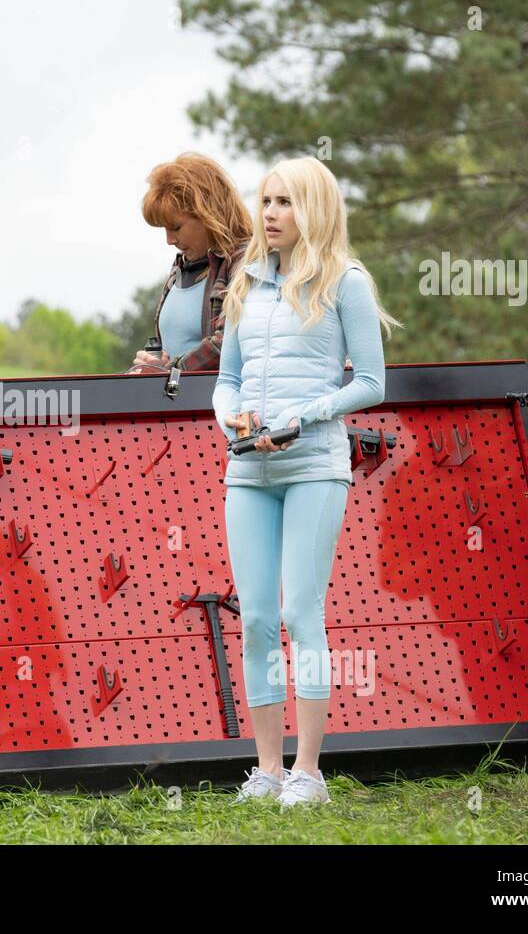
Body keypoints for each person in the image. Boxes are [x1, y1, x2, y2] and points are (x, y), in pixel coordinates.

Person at [213, 157, 400, 806]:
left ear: (314, 208)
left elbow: (372, 383)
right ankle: (266, 770)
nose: (270, 214)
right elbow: (225, 379)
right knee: (258, 617)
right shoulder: (246, 281)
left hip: (314, 465)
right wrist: (227, 417)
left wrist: (303, 416)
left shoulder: (345, 281)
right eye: (265, 201)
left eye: (286, 202)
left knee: (299, 612)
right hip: (247, 468)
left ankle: (309, 773)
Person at [131, 152, 252, 372]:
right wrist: (152, 361)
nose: (169, 240)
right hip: (175, 401)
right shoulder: (180, 266)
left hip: (218, 403)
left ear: (208, 215)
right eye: (164, 229)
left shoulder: (246, 262)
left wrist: (169, 371)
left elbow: (230, 342)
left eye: (176, 227)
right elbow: (171, 349)